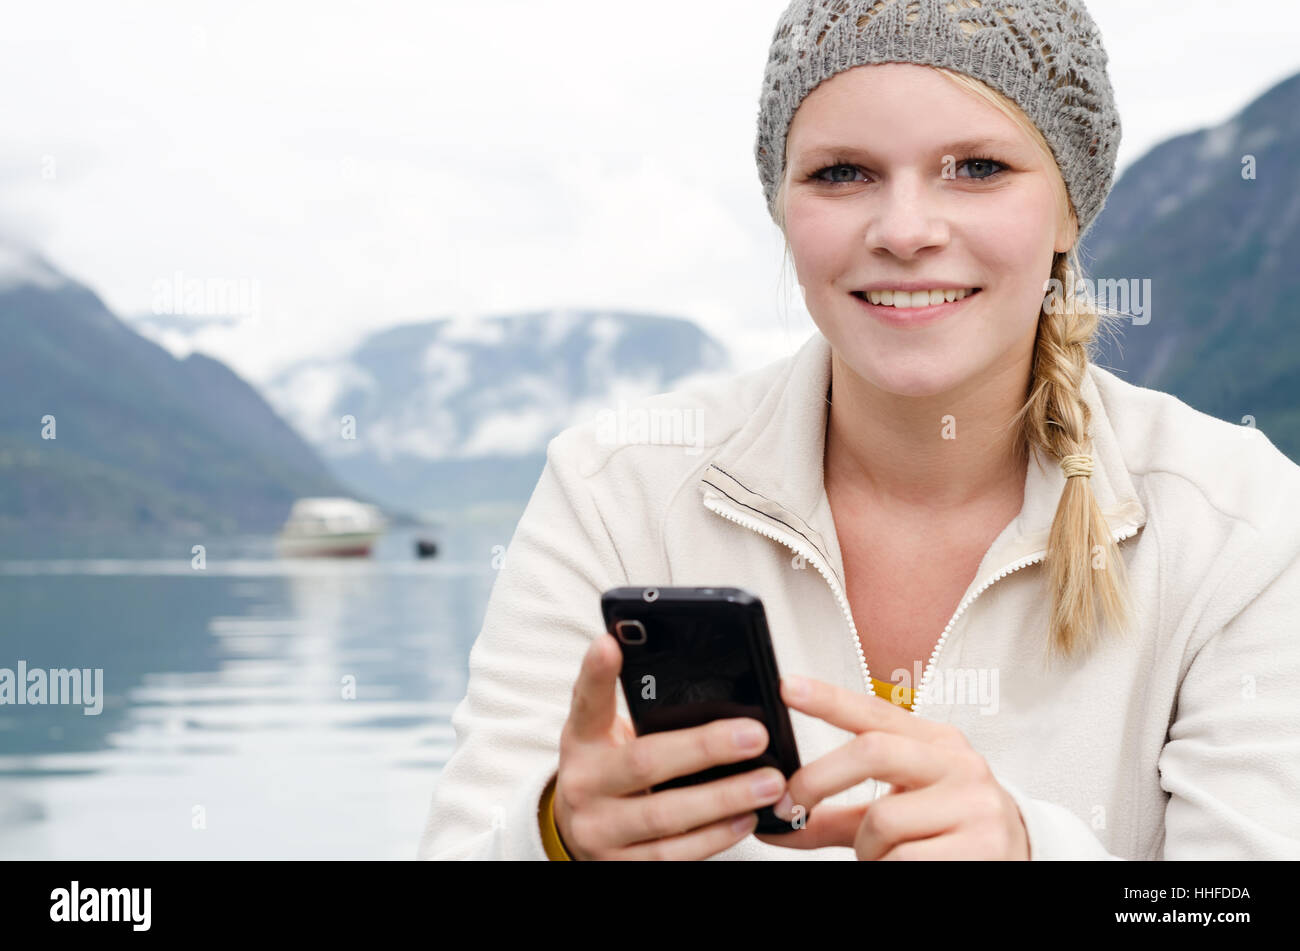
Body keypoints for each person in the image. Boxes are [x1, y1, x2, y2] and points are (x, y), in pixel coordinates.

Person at [417, 0, 1300, 860]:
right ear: (782, 208)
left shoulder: (1244, 526)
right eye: (842, 172)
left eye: (978, 166)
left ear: (1072, 208)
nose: (904, 230)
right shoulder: (614, 494)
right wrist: (559, 839)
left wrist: (1032, 851)